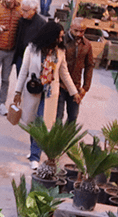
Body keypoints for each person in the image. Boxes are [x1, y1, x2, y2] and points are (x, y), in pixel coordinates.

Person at [9, 20, 80, 167]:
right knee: (32, 123)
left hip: (49, 94)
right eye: (58, 37)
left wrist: (74, 92)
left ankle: (35, 156)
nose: (61, 40)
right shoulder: (32, 49)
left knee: (42, 123)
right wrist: (17, 91)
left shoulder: (60, 52)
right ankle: (34, 149)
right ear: (50, 35)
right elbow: (23, 72)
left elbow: (64, 73)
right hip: (33, 90)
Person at [58, 21, 94, 125]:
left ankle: (67, 139)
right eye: (76, 31)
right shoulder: (62, 41)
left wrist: (85, 87)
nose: (78, 34)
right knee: (58, 116)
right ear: (70, 27)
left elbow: (89, 66)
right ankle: (55, 139)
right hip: (60, 85)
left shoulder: (87, 45)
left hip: (76, 86)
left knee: (73, 116)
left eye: (82, 31)